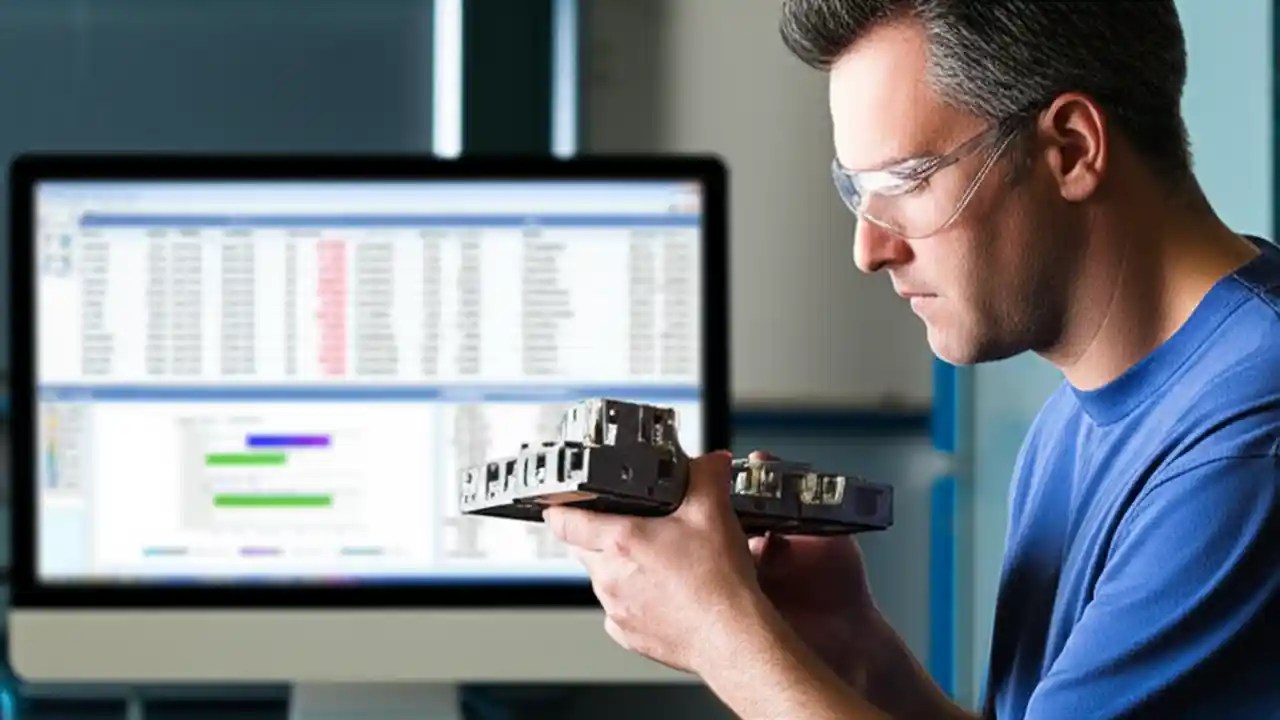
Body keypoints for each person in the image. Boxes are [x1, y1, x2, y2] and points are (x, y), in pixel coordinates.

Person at [545, 1, 1280, 718]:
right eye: (856, 194)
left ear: (1072, 148)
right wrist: (858, 655)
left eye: (906, 183)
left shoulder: (1247, 443)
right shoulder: (1079, 419)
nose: (870, 250)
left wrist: (723, 636)